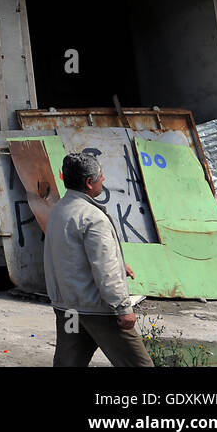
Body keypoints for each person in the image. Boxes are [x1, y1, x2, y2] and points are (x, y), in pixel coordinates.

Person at [43, 151, 153, 367]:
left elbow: (69, 255)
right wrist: (122, 308)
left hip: (69, 310)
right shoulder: (93, 218)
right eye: (101, 176)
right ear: (89, 182)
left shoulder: (58, 211)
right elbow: (105, 269)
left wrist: (119, 264)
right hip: (98, 312)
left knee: (69, 363)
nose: (103, 179)